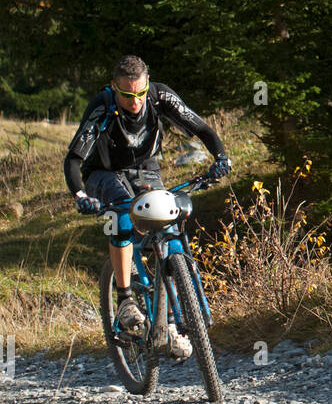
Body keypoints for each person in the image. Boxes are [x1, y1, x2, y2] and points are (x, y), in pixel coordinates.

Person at [64, 55, 231, 358]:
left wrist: (220, 158)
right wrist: (80, 196)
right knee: (122, 216)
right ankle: (126, 298)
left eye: (141, 92)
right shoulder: (102, 107)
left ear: (148, 84)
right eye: (128, 95)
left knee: (165, 217)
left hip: (145, 167)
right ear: (115, 87)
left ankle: (171, 322)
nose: (136, 101)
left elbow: (201, 128)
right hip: (102, 171)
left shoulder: (159, 97)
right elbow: (73, 160)